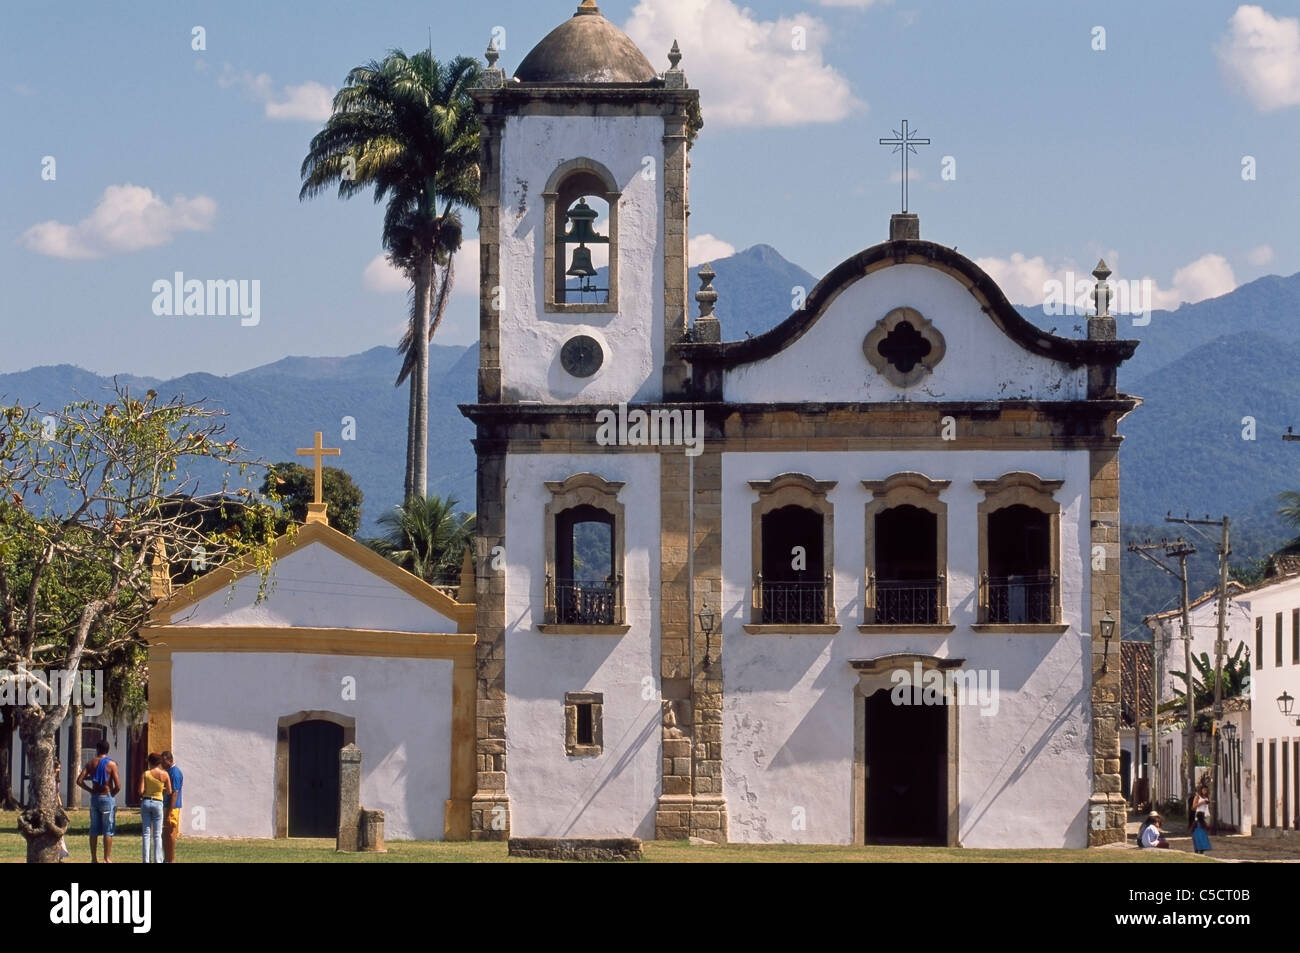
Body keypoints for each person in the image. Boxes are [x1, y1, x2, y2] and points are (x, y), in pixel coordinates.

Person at [76, 739, 120, 863]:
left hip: (95, 798)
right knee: (108, 829)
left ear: (97, 749)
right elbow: (118, 785)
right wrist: (111, 795)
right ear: (108, 750)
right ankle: (106, 858)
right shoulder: (111, 764)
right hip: (106, 797)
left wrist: (90, 790)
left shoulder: (91, 763)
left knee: (94, 828)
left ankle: (94, 858)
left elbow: (79, 780)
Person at [138, 752, 173, 864]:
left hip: (147, 801)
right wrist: (160, 789)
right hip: (158, 802)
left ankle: (146, 860)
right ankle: (158, 860)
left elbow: (140, 791)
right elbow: (169, 791)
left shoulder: (146, 774)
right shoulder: (165, 774)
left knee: (146, 833)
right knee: (158, 834)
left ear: (150, 762)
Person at [162, 750, 183, 863]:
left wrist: (169, 813)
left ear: (170, 760)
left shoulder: (175, 773)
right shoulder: (167, 771)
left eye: (164, 761)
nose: (162, 764)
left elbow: (175, 793)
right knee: (165, 832)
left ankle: (171, 859)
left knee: (170, 833)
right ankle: (166, 858)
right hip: (167, 805)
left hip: (173, 807)